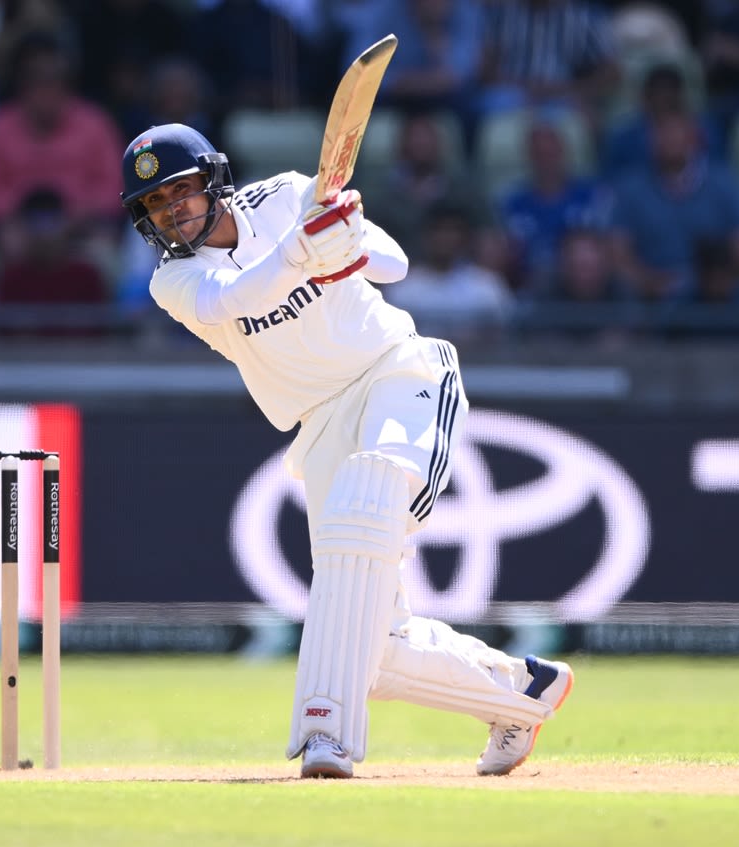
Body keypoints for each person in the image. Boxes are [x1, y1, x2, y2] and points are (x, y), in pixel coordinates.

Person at [119, 123, 574, 779]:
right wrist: (301, 252)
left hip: (397, 373)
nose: (172, 210)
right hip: (320, 421)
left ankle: (323, 734)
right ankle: (522, 690)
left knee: (365, 504)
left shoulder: (286, 196)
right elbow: (231, 299)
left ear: (213, 181)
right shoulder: (175, 281)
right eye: (156, 204)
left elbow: (395, 264)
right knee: (369, 643)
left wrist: (345, 242)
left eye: (180, 190)